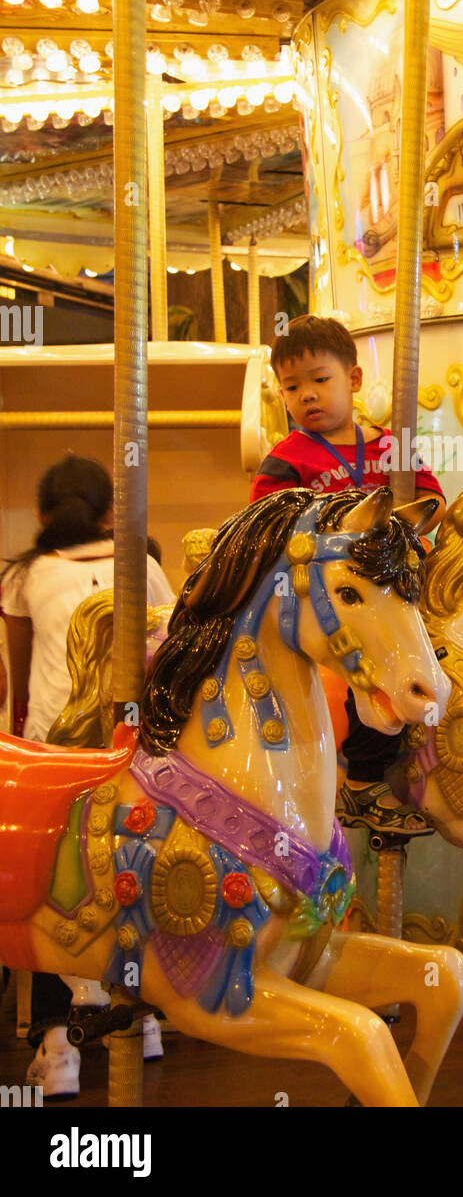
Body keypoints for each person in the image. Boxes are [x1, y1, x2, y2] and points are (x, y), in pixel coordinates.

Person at [1, 454, 176, 1099]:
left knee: (51, 893)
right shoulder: (145, 565)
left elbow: (16, 681)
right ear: (111, 512)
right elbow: (170, 649)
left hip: (56, 755)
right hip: (130, 749)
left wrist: (21, 742)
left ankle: (57, 1049)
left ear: (44, 515)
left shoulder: (26, 575)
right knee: (134, 874)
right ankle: (147, 1018)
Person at [250, 313, 445, 835]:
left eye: (319, 379)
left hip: (393, 583)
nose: (306, 396)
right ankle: (361, 781)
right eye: (292, 387)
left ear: (353, 380)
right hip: (330, 595)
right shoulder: (284, 460)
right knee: (366, 663)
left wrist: (414, 531)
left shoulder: (387, 446)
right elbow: (270, 527)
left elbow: (431, 499)